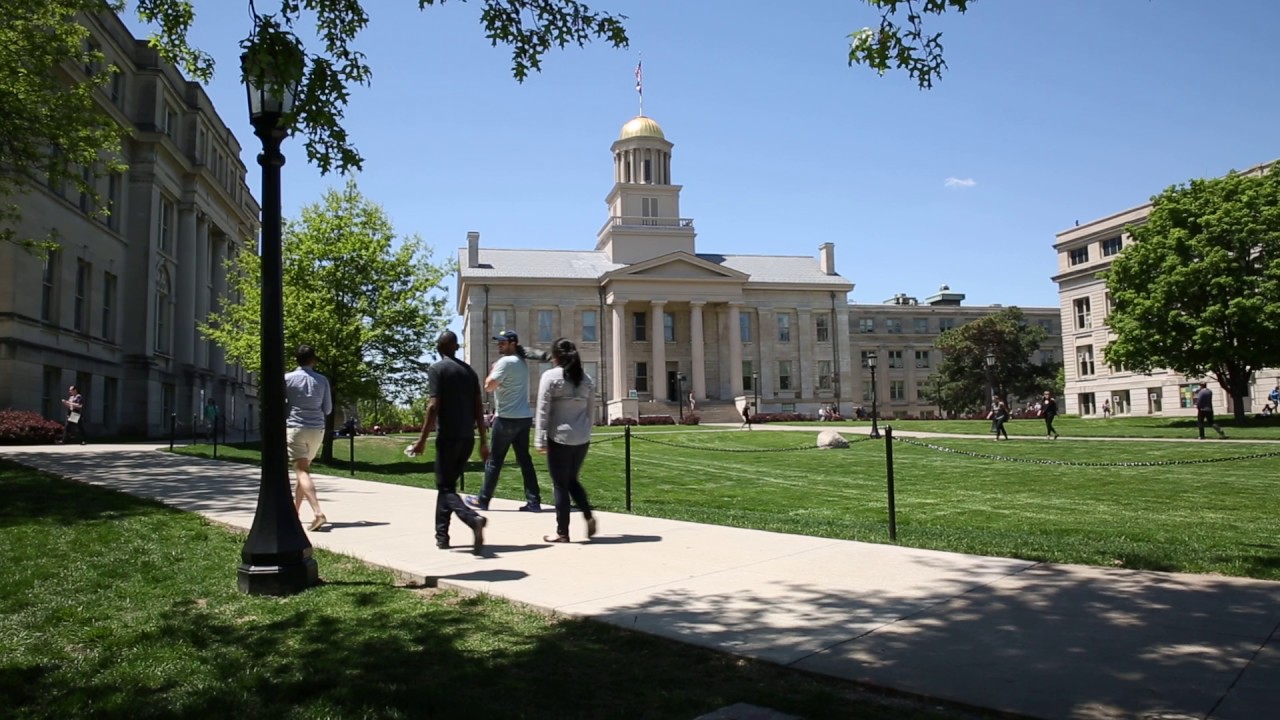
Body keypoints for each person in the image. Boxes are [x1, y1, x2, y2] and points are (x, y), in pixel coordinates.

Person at [410, 331, 490, 551]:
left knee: (445, 488)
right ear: (456, 347)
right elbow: (478, 408)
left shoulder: (437, 369)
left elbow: (433, 406)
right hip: (467, 438)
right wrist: (483, 441)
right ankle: (442, 537)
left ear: (438, 348)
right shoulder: (469, 372)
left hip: (448, 437)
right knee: (447, 487)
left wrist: (422, 440)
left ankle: (472, 519)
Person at [466, 330, 544, 512]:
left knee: (494, 461)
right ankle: (534, 501)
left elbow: (488, 386)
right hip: (523, 418)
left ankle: (483, 500)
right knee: (525, 460)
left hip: (506, 419)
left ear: (513, 343)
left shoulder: (505, 362)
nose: (499, 345)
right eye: (499, 342)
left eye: (503, 342)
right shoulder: (521, 362)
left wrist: (493, 370)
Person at [534, 338, 598, 543]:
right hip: (581, 437)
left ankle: (562, 532)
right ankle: (587, 514)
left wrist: (540, 439)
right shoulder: (587, 379)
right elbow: (591, 410)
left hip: (559, 437)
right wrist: (586, 431)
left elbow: (542, 409)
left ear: (555, 356)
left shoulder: (550, 377)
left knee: (560, 484)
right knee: (571, 480)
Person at [284, 344, 332, 531]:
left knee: (302, 472)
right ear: (313, 360)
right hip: (317, 429)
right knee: (303, 471)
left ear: (296, 359)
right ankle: (294, 513)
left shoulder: (287, 378)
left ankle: (318, 513)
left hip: (296, 427)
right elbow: (327, 409)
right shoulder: (322, 380)